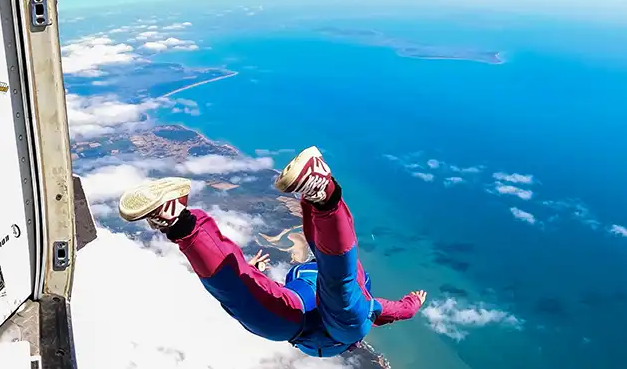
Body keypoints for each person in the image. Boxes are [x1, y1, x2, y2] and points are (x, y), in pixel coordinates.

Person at [118, 146, 426, 357]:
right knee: (337, 287)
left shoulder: (301, 274)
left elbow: (316, 261)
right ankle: (322, 194)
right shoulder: (359, 296)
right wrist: (413, 303)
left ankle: (179, 222)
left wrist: (251, 274)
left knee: (242, 298)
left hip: (298, 324)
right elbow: (396, 310)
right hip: (331, 327)